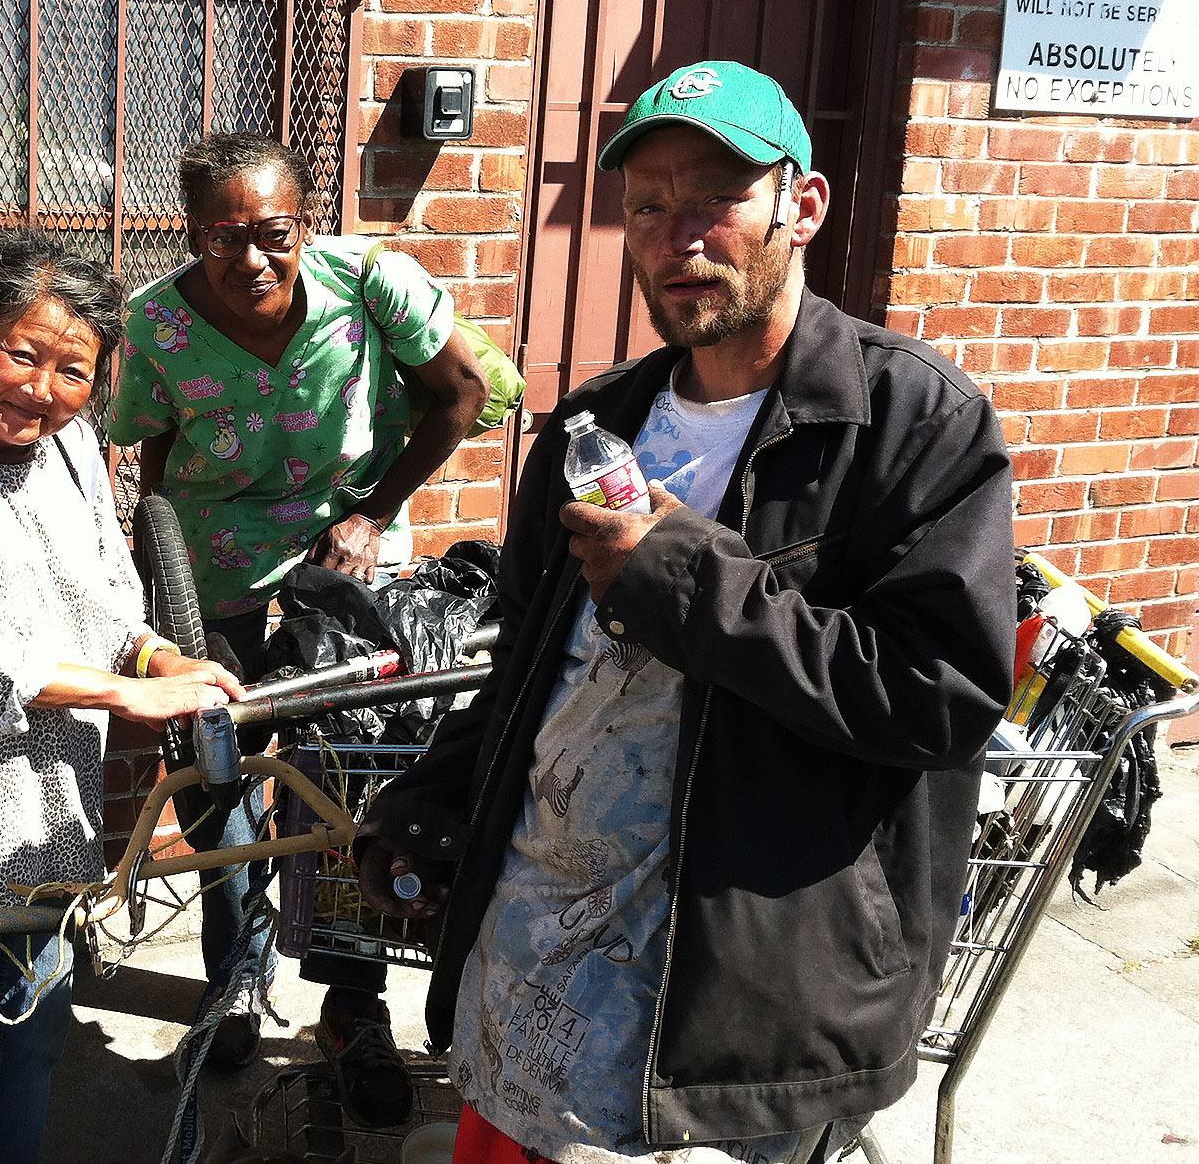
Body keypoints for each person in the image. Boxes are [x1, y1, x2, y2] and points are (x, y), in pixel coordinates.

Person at [356, 60, 1015, 1164]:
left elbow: (933, 694)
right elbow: (527, 659)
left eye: (715, 198)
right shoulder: (596, 424)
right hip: (533, 963)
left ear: (800, 207)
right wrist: (434, 790)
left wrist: (678, 573)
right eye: (649, 207)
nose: (678, 235)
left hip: (727, 1004)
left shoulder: (911, 420)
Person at [107, 133, 489, 1120]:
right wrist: (165, 600)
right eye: (222, 237)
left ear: (304, 224)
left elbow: (460, 396)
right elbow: (150, 464)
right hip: (216, 558)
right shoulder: (157, 325)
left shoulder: (370, 284)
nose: (249, 260)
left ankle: (353, 1005)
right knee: (219, 761)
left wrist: (366, 512)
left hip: (342, 554)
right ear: (192, 232)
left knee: (361, 773)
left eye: (271, 233)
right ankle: (232, 971)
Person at [0, 234, 243, 1164]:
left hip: (54, 819)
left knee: (29, 1053)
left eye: (74, 369)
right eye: (22, 354)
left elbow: (107, 590)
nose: (42, 389)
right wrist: (124, 694)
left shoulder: (69, 452)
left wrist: (154, 653)